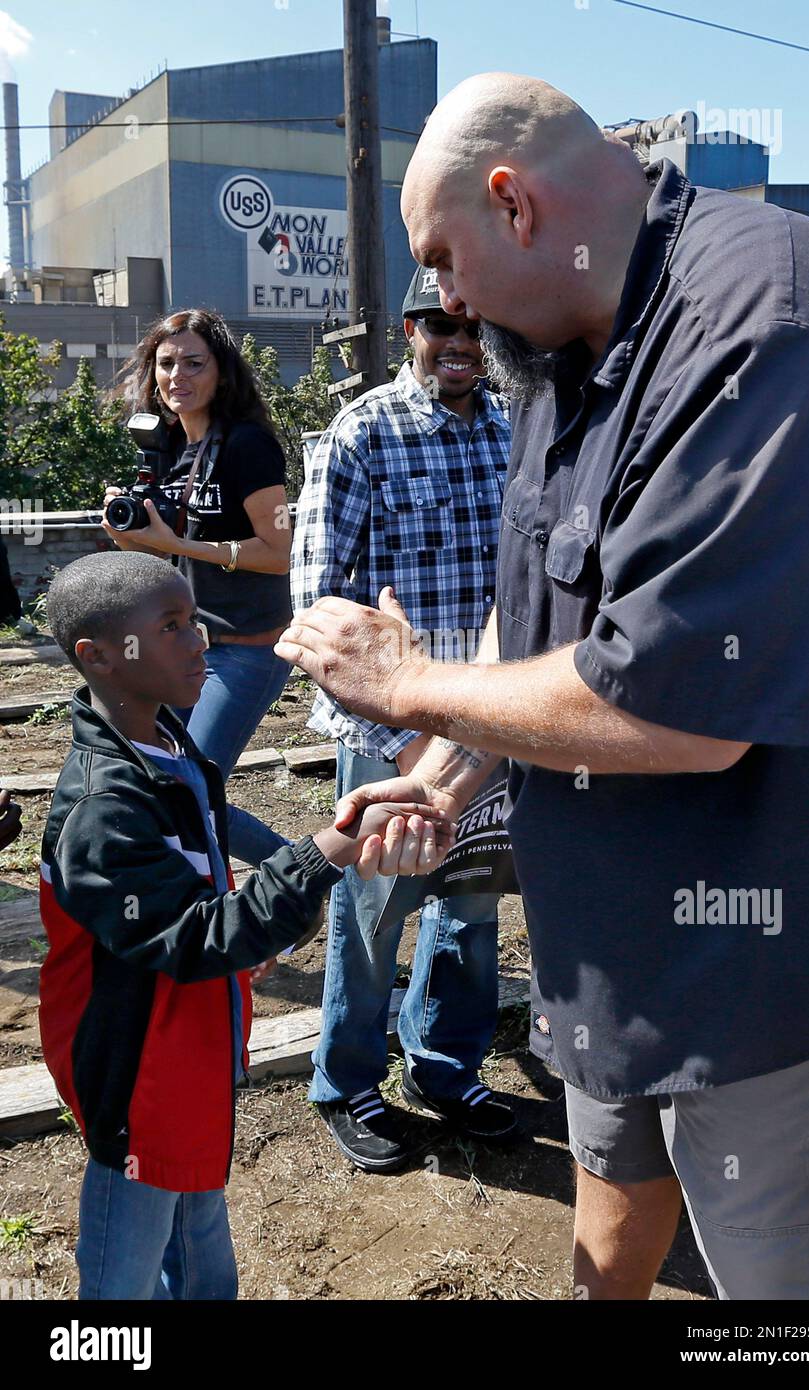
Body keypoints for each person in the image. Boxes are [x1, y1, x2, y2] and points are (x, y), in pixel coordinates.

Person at [277, 73, 809, 1301]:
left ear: (516, 203)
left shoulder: (765, 319)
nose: (442, 298)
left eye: (442, 258)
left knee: (776, 1278)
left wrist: (412, 684)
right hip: (607, 945)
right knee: (615, 1196)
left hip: (759, 971)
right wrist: (438, 778)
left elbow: (678, 709)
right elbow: (541, 602)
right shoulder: (552, 343)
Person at [39, 551, 454, 1300]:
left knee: (197, 1218)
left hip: (191, 1043)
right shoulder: (101, 808)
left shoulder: (167, 743)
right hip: (137, 1070)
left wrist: (238, 932)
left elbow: (198, 907)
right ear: (96, 657)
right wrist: (329, 848)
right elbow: (193, 940)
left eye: (194, 619)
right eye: (170, 627)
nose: (200, 639)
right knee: (125, 1261)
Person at [290, 265, 514, 1172]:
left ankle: (444, 1065)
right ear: (409, 331)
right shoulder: (363, 432)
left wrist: (484, 730)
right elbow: (317, 599)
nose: (457, 342)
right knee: (372, 917)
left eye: (473, 325)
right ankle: (348, 1083)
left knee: (470, 911)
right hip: (388, 735)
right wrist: (400, 734)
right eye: (437, 324)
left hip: (488, 729)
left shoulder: (512, 428)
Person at [103, 308, 293, 866]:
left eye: (193, 362)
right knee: (162, 778)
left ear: (222, 372)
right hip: (189, 646)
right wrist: (126, 531)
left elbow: (277, 553)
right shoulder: (167, 450)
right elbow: (160, 554)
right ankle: (205, 902)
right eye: (165, 363)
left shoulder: (247, 445)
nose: (177, 375)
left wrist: (182, 545)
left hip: (250, 652)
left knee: (195, 789)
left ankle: (301, 883)